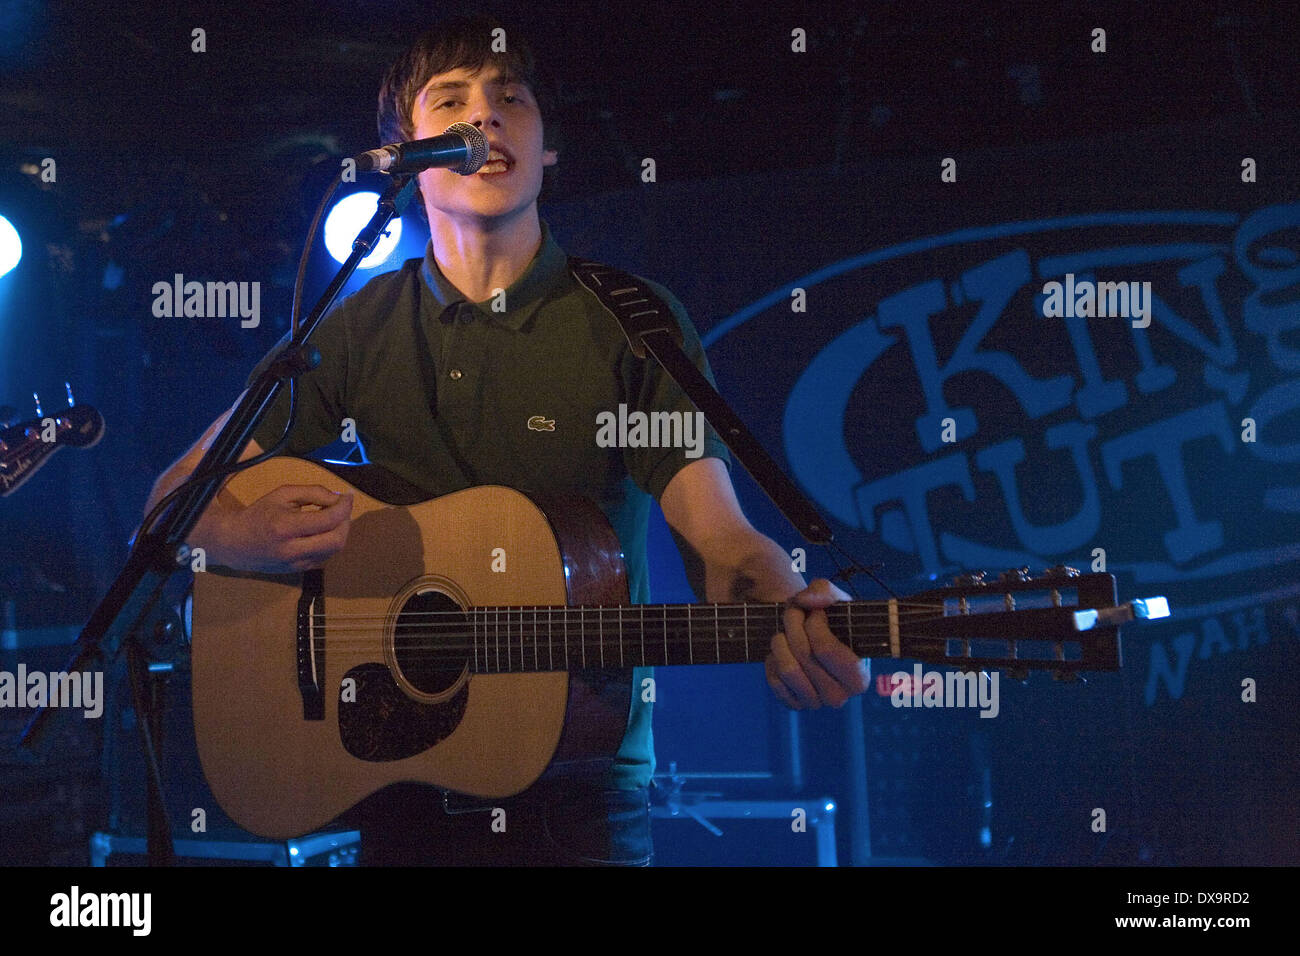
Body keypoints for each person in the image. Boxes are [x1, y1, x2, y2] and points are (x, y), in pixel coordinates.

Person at [144, 14, 869, 866]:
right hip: (393, 782)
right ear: (407, 156)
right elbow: (169, 502)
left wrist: (781, 606)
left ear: (546, 149)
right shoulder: (352, 328)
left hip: (578, 798)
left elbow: (721, 540)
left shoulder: (630, 323)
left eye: (509, 100)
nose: (484, 118)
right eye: (451, 100)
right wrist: (243, 537)